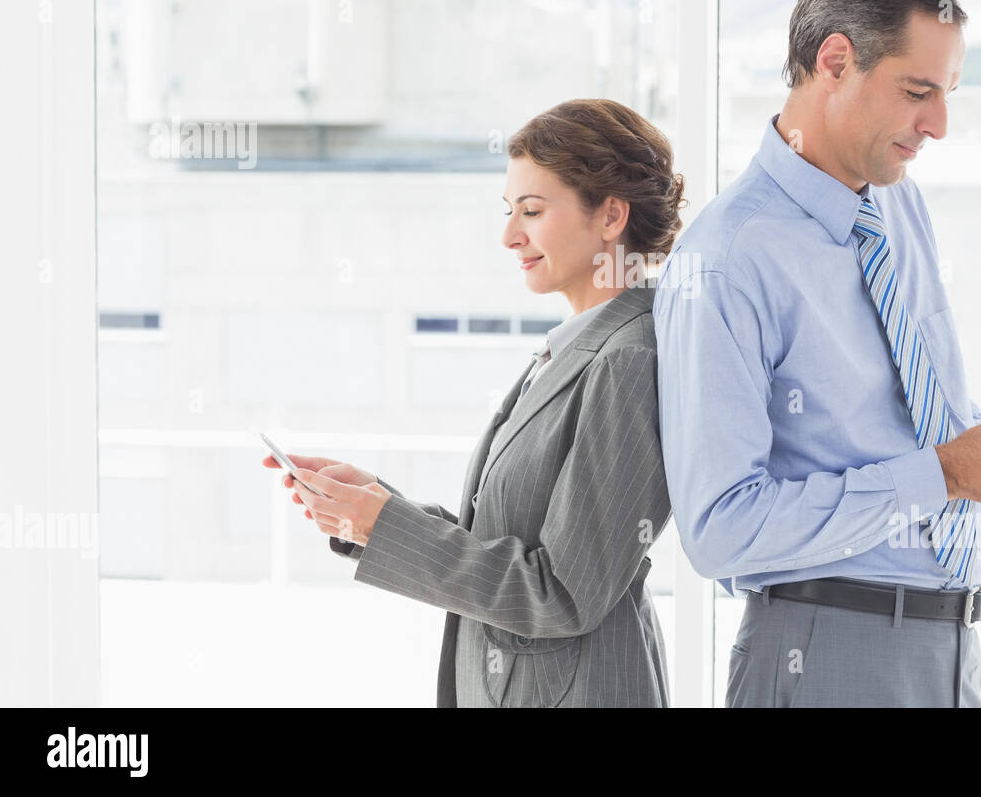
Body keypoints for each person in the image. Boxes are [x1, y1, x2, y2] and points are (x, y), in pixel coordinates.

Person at [653, 0, 981, 707]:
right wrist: (948, 473)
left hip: (951, 649)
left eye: (947, 95)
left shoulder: (897, 205)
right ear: (834, 62)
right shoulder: (726, 261)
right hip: (823, 655)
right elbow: (721, 529)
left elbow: (891, 422)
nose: (938, 126)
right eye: (918, 92)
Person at [263, 98, 684, 707]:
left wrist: (383, 525)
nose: (510, 236)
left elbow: (563, 594)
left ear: (612, 215)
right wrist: (378, 510)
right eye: (510, 211)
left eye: (532, 211)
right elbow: (508, 538)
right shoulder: (573, 349)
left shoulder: (625, 360)